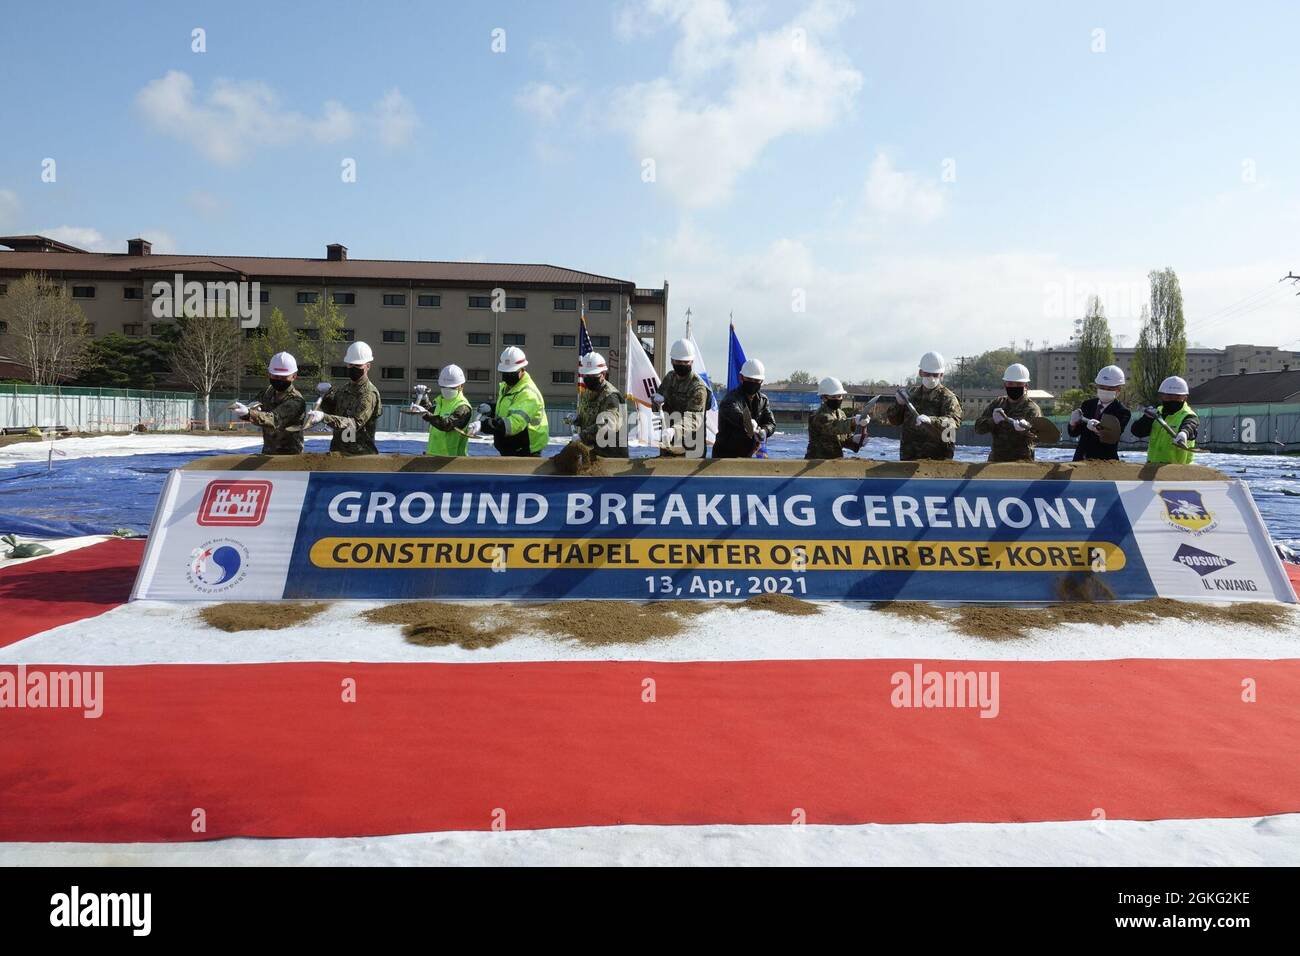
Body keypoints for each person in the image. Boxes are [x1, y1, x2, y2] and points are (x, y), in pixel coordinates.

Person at [307, 341, 382, 455]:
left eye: (358, 365)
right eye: (351, 365)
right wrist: (325, 397)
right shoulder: (344, 389)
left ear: (367, 366)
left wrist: (324, 417)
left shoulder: (368, 394)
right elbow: (335, 413)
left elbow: (353, 424)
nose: (353, 368)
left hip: (360, 456)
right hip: (338, 452)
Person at [885, 351, 962, 461]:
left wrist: (931, 421)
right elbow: (894, 421)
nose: (931, 378)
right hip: (909, 457)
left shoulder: (948, 397)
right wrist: (899, 405)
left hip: (938, 459)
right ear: (921, 373)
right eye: (927, 374)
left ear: (942, 375)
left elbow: (953, 423)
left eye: (935, 375)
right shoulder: (910, 394)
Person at [479, 346, 549, 456]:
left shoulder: (528, 393)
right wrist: (492, 408)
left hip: (525, 452)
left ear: (522, 369)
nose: (507, 376)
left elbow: (513, 424)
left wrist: (484, 425)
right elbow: (509, 409)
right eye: (504, 372)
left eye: (511, 372)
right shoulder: (508, 387)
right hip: (511, 449)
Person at [232, 351, 307, 455]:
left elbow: (274, 419)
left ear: (294, 376)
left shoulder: (297, 401)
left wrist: (249, 414)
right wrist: (251, 408)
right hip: (268, 452)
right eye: (275, 376)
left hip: (289, 457)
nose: (279, 380)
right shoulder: (268, 392)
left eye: (283, 377)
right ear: (269, 374)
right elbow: (255, 403)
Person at [653, 338, 710, 458]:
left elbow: (693, 419)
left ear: (692, 362)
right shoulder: (669, 378)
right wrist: (655, 401)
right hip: (669, 444)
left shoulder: (698, 387)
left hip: (691, 449)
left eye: (686, 362)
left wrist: (674, 430)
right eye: (678, 362)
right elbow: (659, 407)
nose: (682, 365)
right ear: (672, 361)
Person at [974, 363, 1041, 462]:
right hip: (996, 460)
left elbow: (1038, 437)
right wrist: (992, 421)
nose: (1014, 387)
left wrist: (1025, 430)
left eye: (1018, 384)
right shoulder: (997, 403)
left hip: (1023, 462)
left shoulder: (1032, 409)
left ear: (1026, 386)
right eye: (1010, 384)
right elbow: (978, 428)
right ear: (1005, 384)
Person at [404, 364, 474, 457]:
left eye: (452, 387)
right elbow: (433, 414)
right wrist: (423, 398)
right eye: (444, 387)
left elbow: (448, 425)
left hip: (452, 461)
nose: (447, 390)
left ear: (461, 386)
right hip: (433, 456)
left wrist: (425, 414)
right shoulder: (441, 401)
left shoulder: (463, 407)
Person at [714, 359, 775, 459]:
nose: (753, 383)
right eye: (750, 380)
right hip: (724, 456)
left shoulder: (763, 400)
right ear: (741, 378)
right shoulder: (730, 399)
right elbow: (736, 415)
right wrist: (749, 423)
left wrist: (764, 431)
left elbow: (771, 423)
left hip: (749, 455)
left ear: (761, 382)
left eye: (756, 381)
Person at [1068, 364, 1131, 461]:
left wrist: (1098, 429)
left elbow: (1113, 437)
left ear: (1118, 390)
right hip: (1081, 458)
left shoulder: (1122, 411)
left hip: (1105, 461)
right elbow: (1074, 433)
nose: (1105, 391)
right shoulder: (1087, 405)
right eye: (1102, 387)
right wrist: (1073, 424)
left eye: (1109, 389)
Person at [1131, 375, 1198, 464]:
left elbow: (1190, 425)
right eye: (1169, 397)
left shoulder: (1189, 415)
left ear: (1185, 398)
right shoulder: (1156, 413)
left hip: (1179, 471)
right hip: (1152, 467)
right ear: (1162, 396)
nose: (1173, 400)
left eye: (1177, 397)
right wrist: (1147, 419)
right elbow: (1137, 431)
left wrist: (1184, 433)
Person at [573, 351, 627, 457]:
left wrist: (582, 436)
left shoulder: (611, 396)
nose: (588, 379)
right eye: (586, 375)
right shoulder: (589, 392)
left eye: (592, 375)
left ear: (603, 374)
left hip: (611, 456)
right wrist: (578, 419)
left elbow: (608, 424)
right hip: (592, 451)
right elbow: (590, 416)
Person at [805, 377, 865, 459]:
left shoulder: (841, 413)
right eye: (833, 397)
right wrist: (854, 421)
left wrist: (855, 441)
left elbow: (842, 439)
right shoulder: (819, 416)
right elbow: (834, 427)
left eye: (839, 396)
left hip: (835, 460)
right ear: (824, 398)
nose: (837, 399)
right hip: (816, 459)